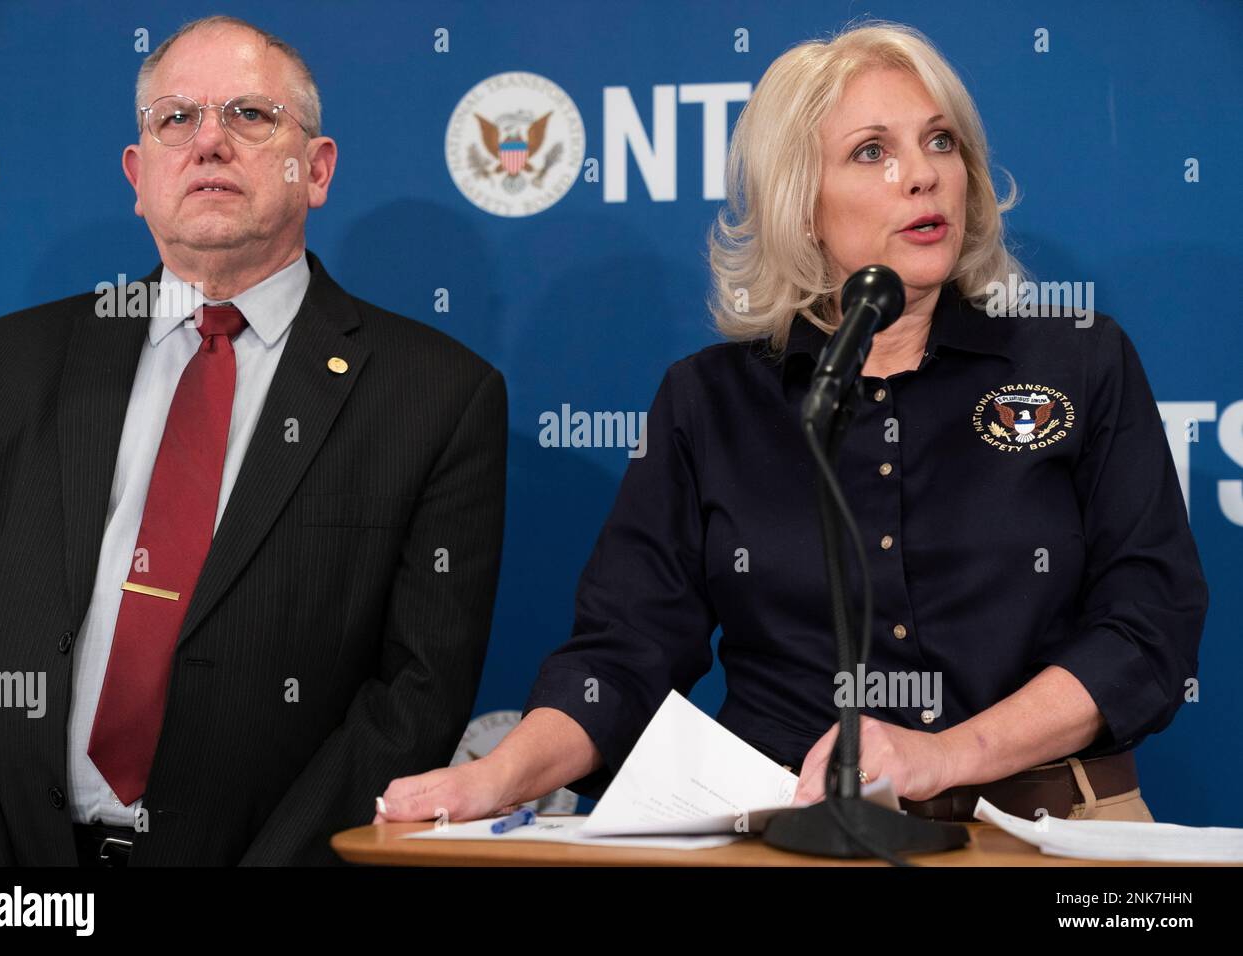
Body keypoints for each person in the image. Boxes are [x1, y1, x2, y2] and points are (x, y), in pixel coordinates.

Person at [374, 21, 1207, 829]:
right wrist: (497, 776)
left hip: (1048, 830)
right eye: (871, 152)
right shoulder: (710, 402)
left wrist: (951, 752)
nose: (921, 176)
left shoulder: (1078, 362)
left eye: (940, 142)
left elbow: (1147, 625)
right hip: (798, 839)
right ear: (800, 204)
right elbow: (623, 652)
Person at [0, 15, 507, 866]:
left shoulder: (438, 397)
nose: (208, 142)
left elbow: (415, 698)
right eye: (176, 119)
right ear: (139, 177)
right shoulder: (8, 364)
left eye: (249, 115)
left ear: (315, 170)